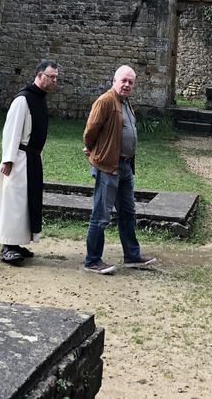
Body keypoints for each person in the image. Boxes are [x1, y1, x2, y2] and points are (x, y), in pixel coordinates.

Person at [0, 60, 60, 264]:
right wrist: (8, 159)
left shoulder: (40, 98)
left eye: (56, 78)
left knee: (27, 202)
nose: (54, 81)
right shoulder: (23, 100)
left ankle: (17, 242)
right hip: (19, 159)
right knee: (14, 202)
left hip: (33, 158)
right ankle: (7, 245)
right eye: (51, 76)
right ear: (39, 74)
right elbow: (11, 130)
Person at [82, 64, 156, 274]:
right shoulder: (106, 101)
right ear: (114, 81)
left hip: (125, 166)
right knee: (101, 214)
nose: (126, 85)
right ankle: (92, 260)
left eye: (130, 82)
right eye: (123, 80)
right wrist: (93, 149)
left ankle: (132, 256)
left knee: (128, 213)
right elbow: (90, 130)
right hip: (108, 166)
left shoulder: (126, 103)